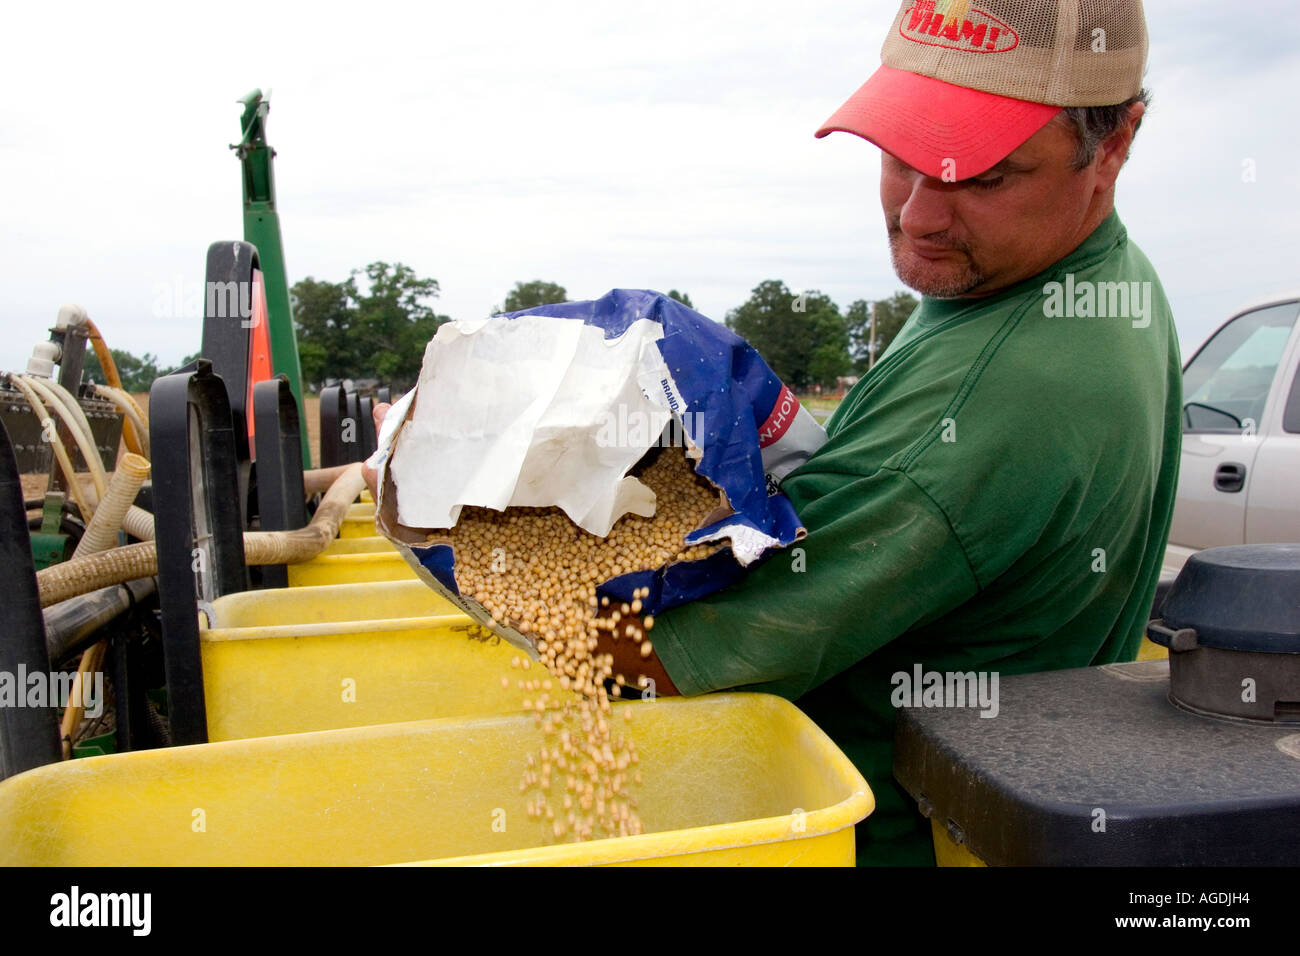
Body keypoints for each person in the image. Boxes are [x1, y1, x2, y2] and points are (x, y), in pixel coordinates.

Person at [366, 0, 1182, 866]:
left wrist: (456, 529)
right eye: (901, 159)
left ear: (1117, 142)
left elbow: (669, 659)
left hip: (866, 836)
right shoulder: (1069, 279)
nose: (918, 218)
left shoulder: (1010, 389)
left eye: (983, 177)